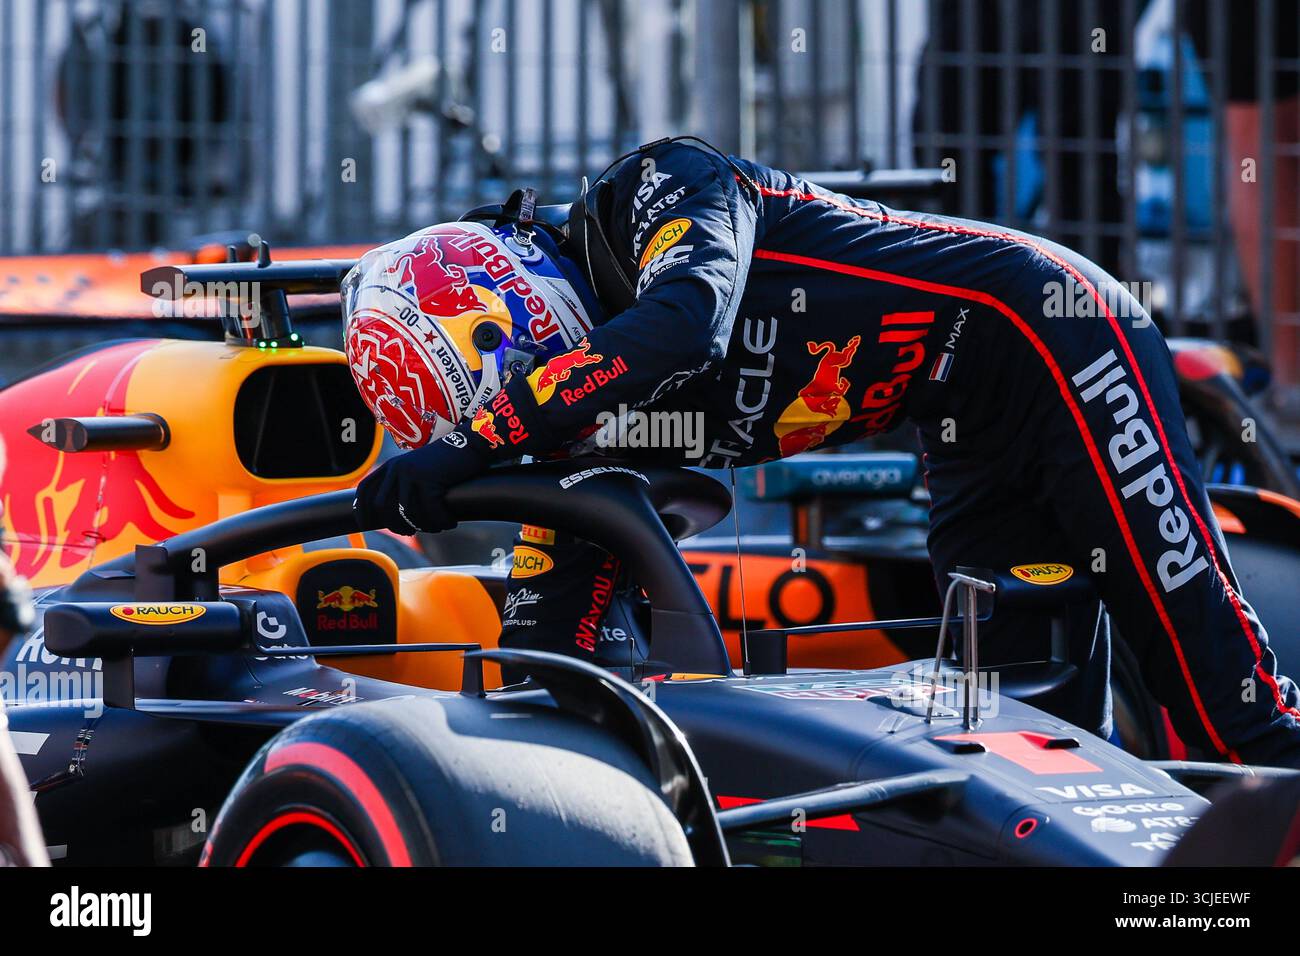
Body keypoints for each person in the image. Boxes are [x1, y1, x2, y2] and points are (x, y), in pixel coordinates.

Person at [349, 136, 1300, 768]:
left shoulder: (657, 187)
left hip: (1055, 335)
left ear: (496, 300)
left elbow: (683, 326)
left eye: (513, 377)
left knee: (1222, 703)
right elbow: (543, 661)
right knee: (1022, 735)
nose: (529, 398)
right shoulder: (591, 409)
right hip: (963, 433)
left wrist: (483, 438)